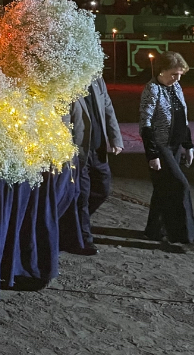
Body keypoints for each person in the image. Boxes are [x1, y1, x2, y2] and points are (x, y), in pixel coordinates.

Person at [139, 51, 194, 252]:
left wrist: (188, 145)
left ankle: (154, 230)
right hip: (160, 146)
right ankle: (183, 237)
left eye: (180, 74)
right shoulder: (152, 89)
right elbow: (145, 123)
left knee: (162, 190)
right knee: (179, 186)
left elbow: (182, 118)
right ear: (161, 71)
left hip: (175, 146)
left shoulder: (176, 87)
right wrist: (153, 154)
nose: (177, 78)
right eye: (173, 74)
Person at [66, 75, 123, 255]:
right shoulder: (69, 80)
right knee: (82, 196)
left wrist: (115, 138)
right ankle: (83, 240)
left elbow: (108, 108)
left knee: (102, 190)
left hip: (98, 149)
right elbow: (64, 118)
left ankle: (73, 225)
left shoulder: (97, 79)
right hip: (80, 150)